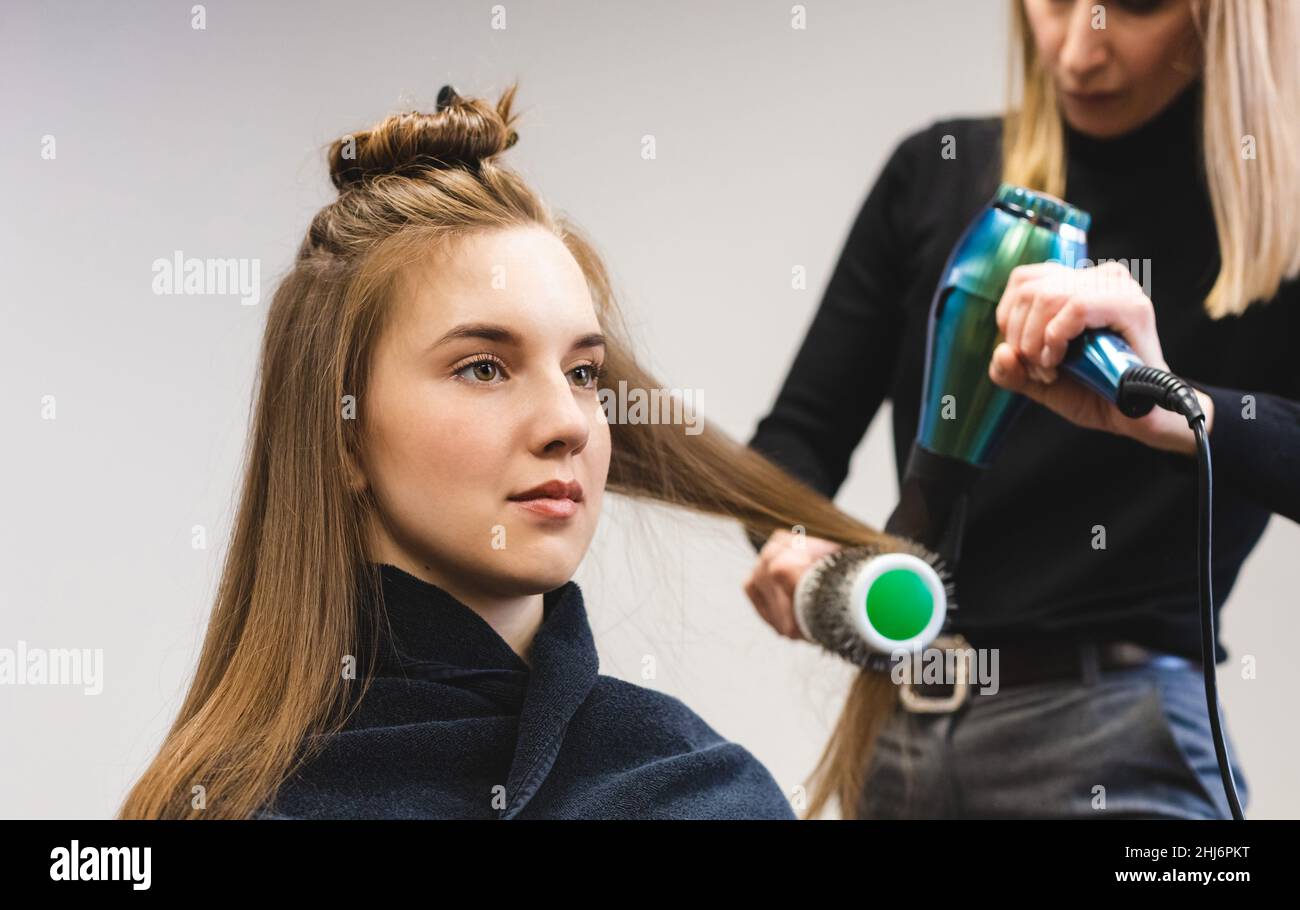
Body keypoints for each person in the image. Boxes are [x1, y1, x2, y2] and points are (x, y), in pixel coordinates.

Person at [117, 84, 902, 820]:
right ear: (343, 433)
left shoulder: (699, 794)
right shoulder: (211, 803)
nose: (569, 423)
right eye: (484, 367)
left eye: (584, 373)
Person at [743, 0, 1300, 819]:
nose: (1076, 52)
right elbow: (794, 438)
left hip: (1126, 749)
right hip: (896, 733)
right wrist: (793, 540)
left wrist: (1179, 411)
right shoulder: (937, 171)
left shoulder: (1282, 230)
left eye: (1135, 7)